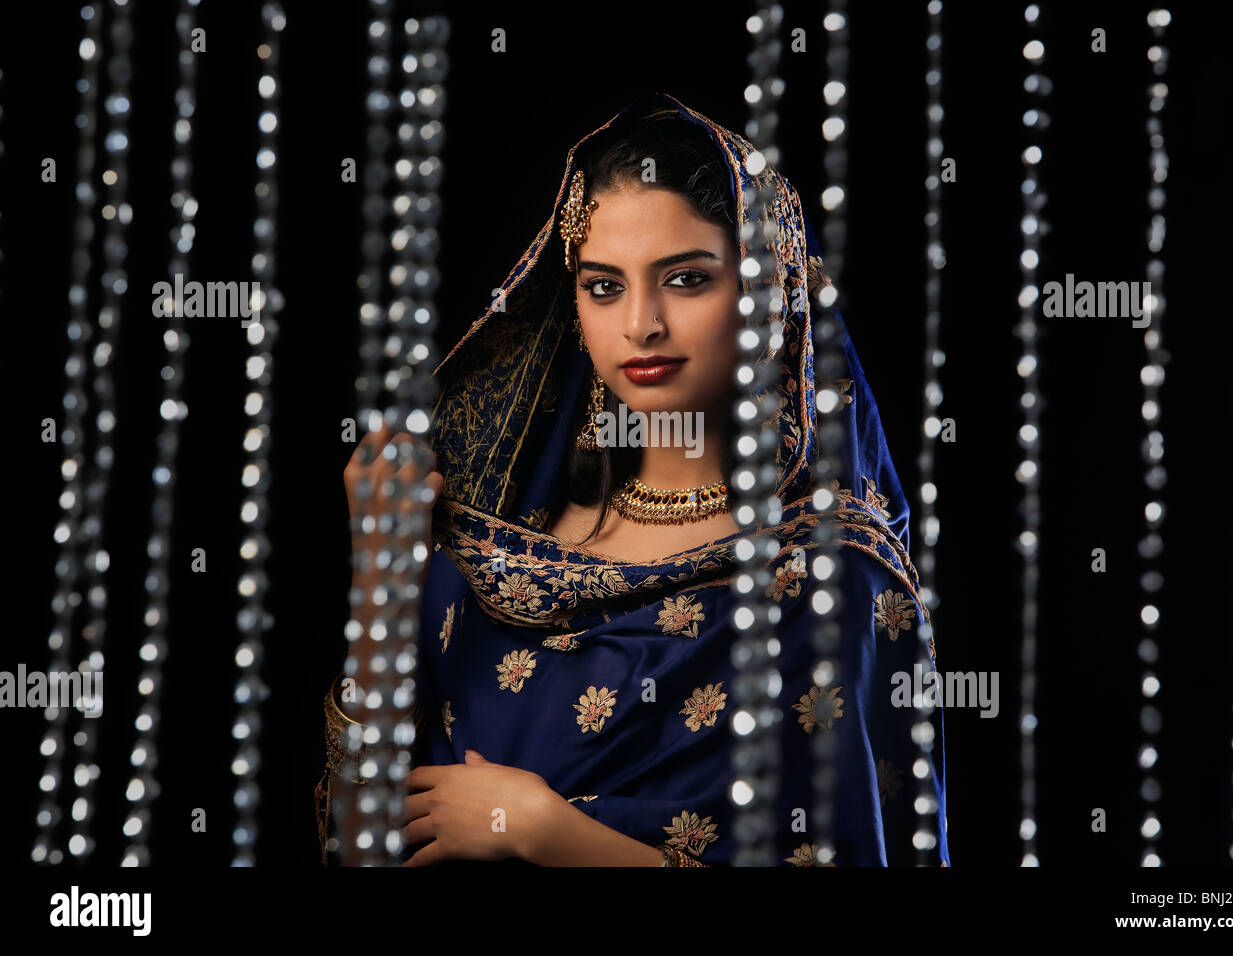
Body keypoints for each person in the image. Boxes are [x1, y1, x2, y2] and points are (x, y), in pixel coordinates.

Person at [316, 91, 950, 867]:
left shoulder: (831, 583)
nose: (641, 323)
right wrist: (380, 589)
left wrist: (549, 832)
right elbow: (355, 847)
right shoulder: (486, 549)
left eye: (686, 279)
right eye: (604, 285)